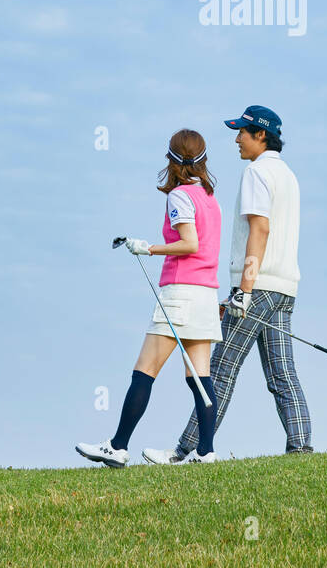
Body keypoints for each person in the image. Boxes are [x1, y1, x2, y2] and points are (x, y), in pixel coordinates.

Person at [143, 105, 312, 464]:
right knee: (282, 373)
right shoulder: (289, 176)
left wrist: (244, 290)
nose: (237, 140)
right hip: (285, 288)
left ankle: (183, 451)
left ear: (261, 135)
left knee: (218, 371)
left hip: (257, 286)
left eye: (243, 132)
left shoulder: (256, 172)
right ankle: (301, 448)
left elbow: (260, 230)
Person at [75, 129, 222, 468]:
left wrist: (148, 248)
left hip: (181, 294)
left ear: (171, 159)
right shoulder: (210, 198)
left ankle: (118, 446)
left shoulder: (180, 197)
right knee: (200, 377)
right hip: (205, 295)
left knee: (144, 372)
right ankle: (206, 451)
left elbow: (190, 244)